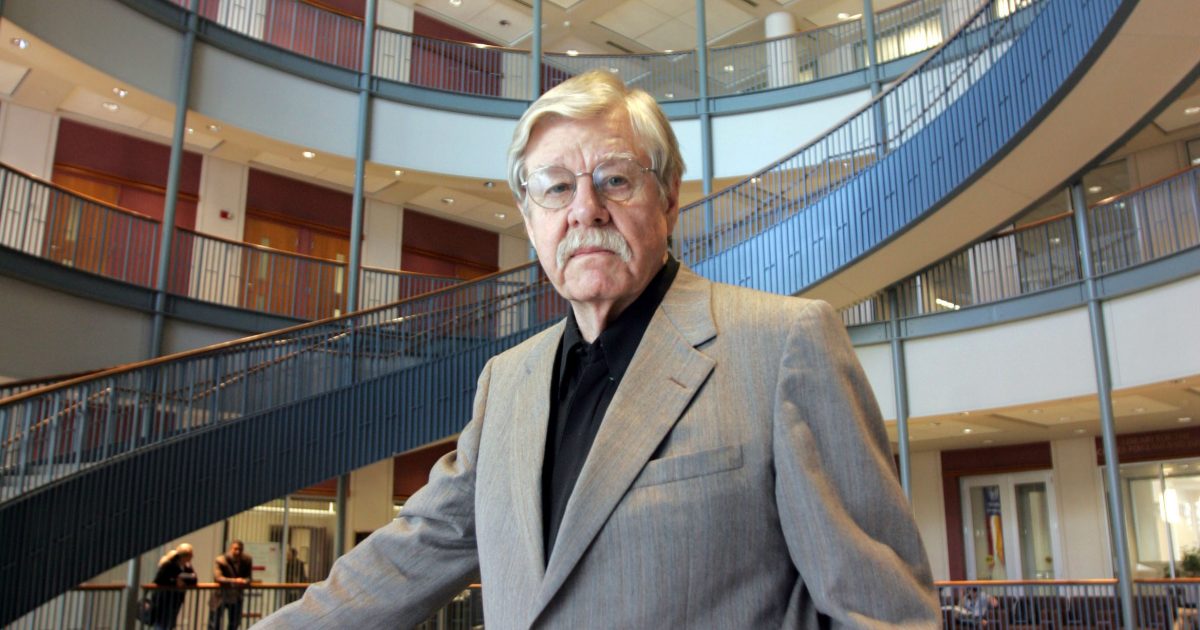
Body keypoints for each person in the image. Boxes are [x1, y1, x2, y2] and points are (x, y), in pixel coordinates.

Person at [261, 69, 937, 627]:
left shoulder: (782, 344)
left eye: (614, 178)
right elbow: (411, 554)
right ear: (532, 222)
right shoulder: (505, 382)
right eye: (556, 187)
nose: (585, 208)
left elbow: (883, 613)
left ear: (667, 200)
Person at [150, 543, 197, 630]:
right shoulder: (169, 564)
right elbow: (158, 580)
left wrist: (183, 581)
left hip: (176, 599)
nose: (192, 557)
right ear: (185, 556)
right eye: (191, 555)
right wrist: (175, 581)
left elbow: (194, 579)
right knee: (162, 623)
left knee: (169, 623)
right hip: (164, 599)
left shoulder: (187, 566)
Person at [208, 540, 252, 630]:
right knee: (214, 624)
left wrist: (245, 581)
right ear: (230, 549)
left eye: (240, 549)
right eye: (235, 549)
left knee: (234, 623)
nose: (238, 552)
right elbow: (218, 578)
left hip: (236, 596)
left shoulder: (247, 560)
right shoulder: (221, 560)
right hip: (220, 596)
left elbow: (249, 577)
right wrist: (235, 581)